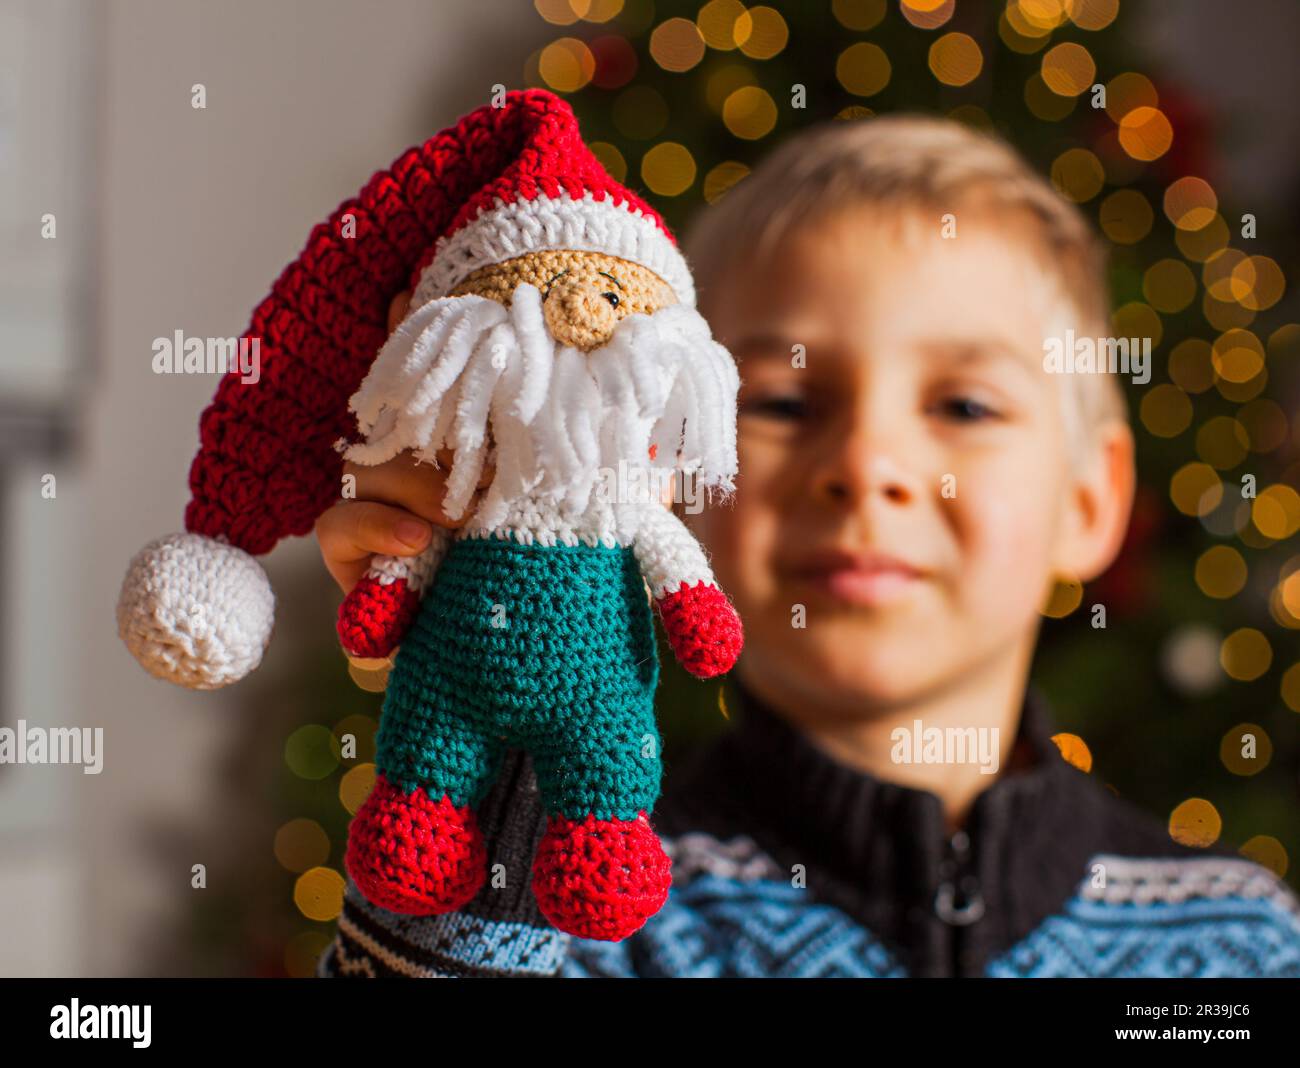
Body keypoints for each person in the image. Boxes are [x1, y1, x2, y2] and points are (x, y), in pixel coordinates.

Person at [314, 115, 1300, 978]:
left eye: (964, 404)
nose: (865, 464)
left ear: (1090, 503)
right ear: (671, 471)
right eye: (781, 403)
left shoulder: (1241, 941)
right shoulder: (581, 914)